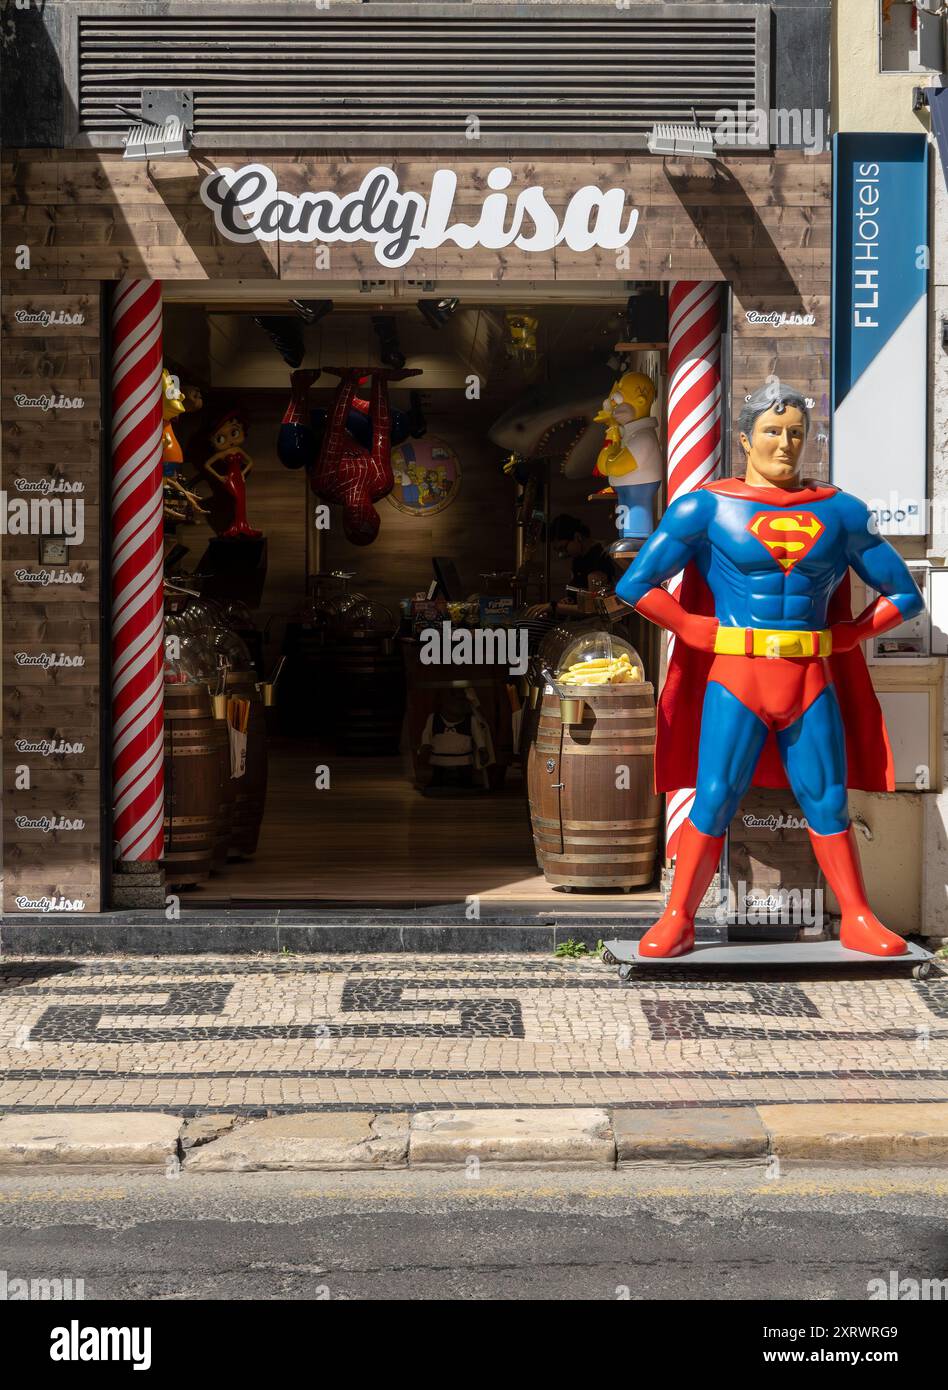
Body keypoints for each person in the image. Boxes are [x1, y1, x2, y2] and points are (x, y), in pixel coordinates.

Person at [614, 381, 924, 959]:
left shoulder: (841, 511)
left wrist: (849, 634)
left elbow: (904, 595)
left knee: (827, 800)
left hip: (808, 677)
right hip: (737, 675)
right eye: (772, 432)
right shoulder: (704, 507)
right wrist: (686, 626)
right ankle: (678, 918)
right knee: (714, 796)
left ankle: (857, 916)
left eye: (796, 434)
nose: (785, 444)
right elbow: (635, 584)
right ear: (745, 439)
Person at [546, 515, 617, 618]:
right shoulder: (579, 559)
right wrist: (569, 602)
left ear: (577, 537)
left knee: (522, 627)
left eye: (563, 548)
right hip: (581, 624)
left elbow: (593, 608)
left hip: (594, 626)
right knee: (520, 628)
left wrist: (555, 607)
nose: (561, 554)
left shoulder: (597, 559)